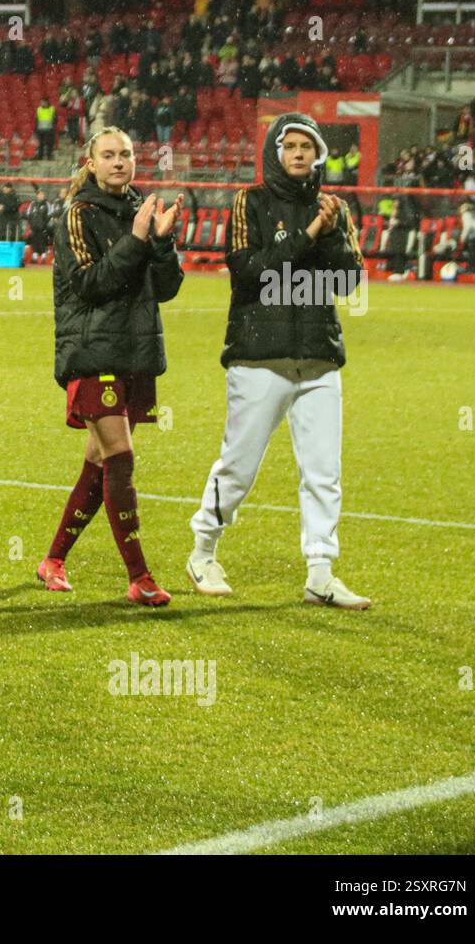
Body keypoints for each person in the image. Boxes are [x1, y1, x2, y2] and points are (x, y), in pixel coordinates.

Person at [187, 112, 371, 609]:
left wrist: (329, 232)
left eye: (306, 147)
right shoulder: (250, 201)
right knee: (239, 467)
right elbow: (250, 274)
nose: (297, 154)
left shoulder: (336, 208)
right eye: (288, 145)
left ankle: (320, 572)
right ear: (273, 151)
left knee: (323, 471)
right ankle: (203, 551)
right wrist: (310, 234)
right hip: (258, 357)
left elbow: (351, 283)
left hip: (318, 359)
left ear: (318, 155)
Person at [38, 127, 183, 606]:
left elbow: (165, 288)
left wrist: (161, 243)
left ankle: (53, 560)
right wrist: (138, 240)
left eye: (126, 153)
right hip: (92, 351)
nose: (119, 161)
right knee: (120, 459)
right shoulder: (78, 216)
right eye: (109, 155)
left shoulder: (140, 208)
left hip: (134, 353)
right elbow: (92, 284)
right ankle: (139, 577)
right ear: (91, 162)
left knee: (100, 465)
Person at [26, 188, 52, 262]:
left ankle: (43, 255)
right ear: (37, 195)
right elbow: (29, 214)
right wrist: (31, 224)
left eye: (42, 194)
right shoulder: (33, 204)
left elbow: (50, 215)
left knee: (43, 240)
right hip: (34, 227)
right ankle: (35, 256)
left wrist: (44, 224)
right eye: (39, 194)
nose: (41, 196)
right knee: (34, 240)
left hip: (43, 227)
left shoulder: (47, 204)